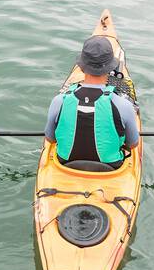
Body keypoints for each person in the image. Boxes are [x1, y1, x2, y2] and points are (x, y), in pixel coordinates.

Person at [45, 35, 139, 170]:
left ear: (82, 67)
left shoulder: (59, 101)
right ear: (110, 68)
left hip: (65, 164)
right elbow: (133, 144)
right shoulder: (124, 106)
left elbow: (51, 139)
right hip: (110, 168)